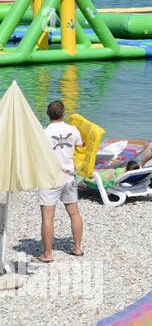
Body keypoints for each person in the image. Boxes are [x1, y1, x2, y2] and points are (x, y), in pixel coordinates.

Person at [37, 100, 84, 262]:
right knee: (74, 213)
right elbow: (81, 146)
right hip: (69, 176)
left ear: (48, 114)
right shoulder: (73, 129)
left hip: (50, 178)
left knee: (47, 217)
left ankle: (47, 254)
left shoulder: (43, 133)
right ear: (63, 113)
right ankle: (77, 248)